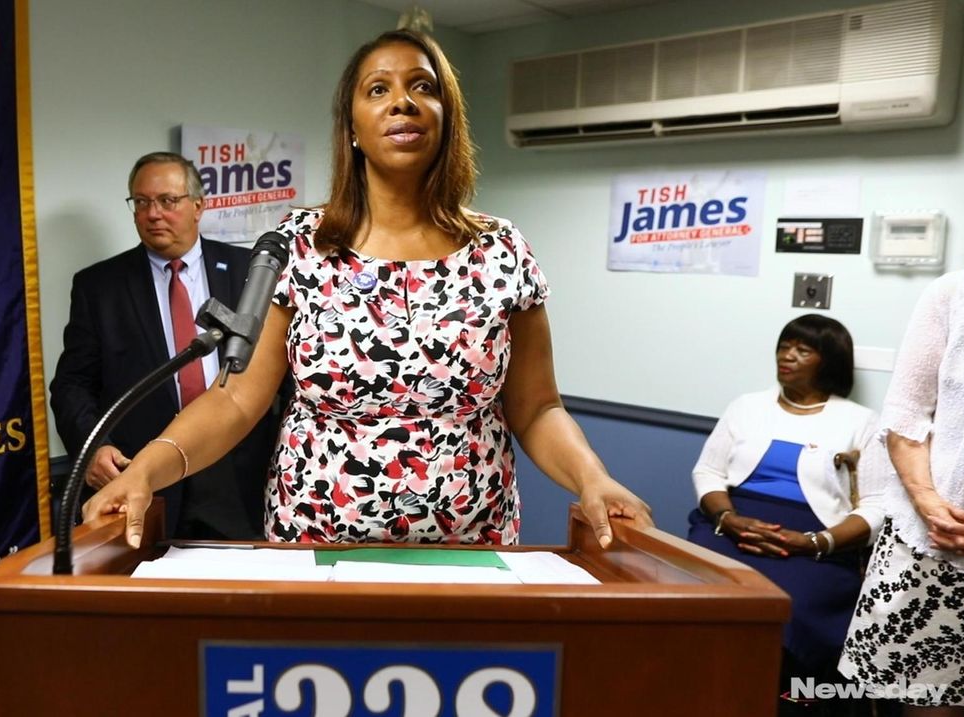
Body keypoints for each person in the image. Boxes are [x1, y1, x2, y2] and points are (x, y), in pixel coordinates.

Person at [83, 29, 652, 548]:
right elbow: (234, 400)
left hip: (469, 547)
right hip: (317, 544)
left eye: (421, 87)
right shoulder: (299, 244)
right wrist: (146, 471)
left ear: (445, 116)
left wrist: (593, 478)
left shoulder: (501, 250)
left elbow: (537, 408)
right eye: (378, 89)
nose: (401, 101)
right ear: (352, 128)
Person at [50, 152, 281, 540]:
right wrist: (92, 448)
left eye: (167, 201)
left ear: (198, 206)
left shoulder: (249, 273)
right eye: (141, 202)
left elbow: (284, 375)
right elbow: (72, 385)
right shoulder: (100, 287)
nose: (153, 213)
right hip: (142, 473)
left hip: (239, 473)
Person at [686, 315, 881, 713]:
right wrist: (728, 518)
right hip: (732, 525)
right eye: (784, 345)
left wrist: (814, 542)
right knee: (696, 592)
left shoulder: (859, 420)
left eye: (802, 350)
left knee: (795, 606)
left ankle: (781, 702)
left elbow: (877, 505)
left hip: (816, 541)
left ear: (828, 361)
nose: (787, 356)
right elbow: (708, 472)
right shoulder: (747, 407)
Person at [839, 270, 964, 715]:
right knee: (930, 703)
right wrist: (931, 504)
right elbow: (905, 415)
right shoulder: (953, 293)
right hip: (935, 548)